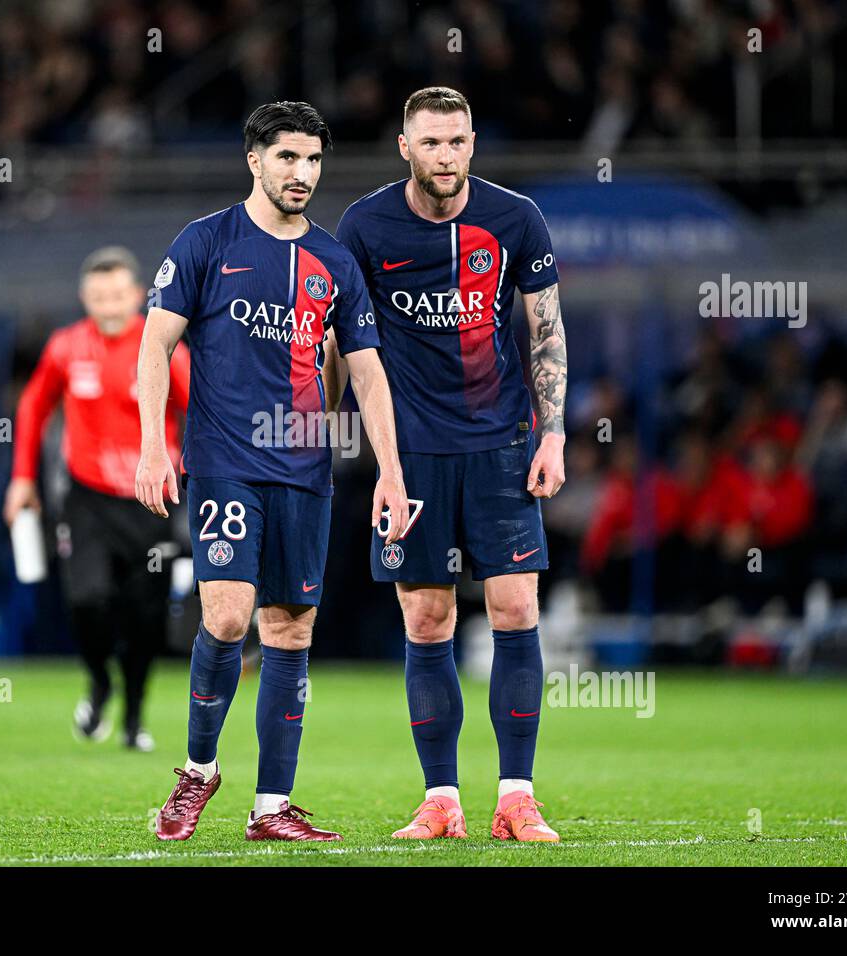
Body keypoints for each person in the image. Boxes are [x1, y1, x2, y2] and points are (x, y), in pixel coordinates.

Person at [135, 101, 408, 842]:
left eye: (313, 160)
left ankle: (271, 808)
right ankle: (197, 773)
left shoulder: (335, 261)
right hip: (223, 462)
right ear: (254, 159)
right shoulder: (205, 241)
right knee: (225, 615)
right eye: (288, 157)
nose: (302, 173)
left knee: (290, 630)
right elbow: (155, 345)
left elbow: (369, 374)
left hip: (304, 468)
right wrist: (154, 446)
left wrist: (388, 469)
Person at [336, 87, 568, 842]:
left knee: (515, 608)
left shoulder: (515, 219)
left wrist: (555, 433)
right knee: (427, 616)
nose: (447, 156)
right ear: (405, 147)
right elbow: (349, 348)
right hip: (414, 454)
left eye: (459, 142)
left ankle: (517, 797)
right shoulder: (365, 226)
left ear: (474, 144)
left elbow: (545, 332)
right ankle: (441, 799)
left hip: (500, 444)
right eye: (432, 143)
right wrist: (360, 451)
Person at [4, 247, 190, 751]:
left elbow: (200, 413)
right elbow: (32, 407)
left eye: (118, 293)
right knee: (87, 598)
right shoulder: (66, 347)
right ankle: (99, 683)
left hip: (151, 500)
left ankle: (133, 716)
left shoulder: (165, 347)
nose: (109, 304)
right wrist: (22, 478)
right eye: (98, 295)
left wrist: (196, 475)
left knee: (146, 614)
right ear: (85, 297)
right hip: (85, 499)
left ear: (137, 295)